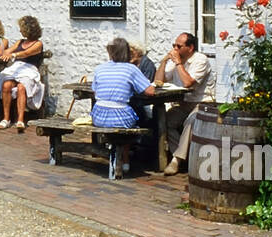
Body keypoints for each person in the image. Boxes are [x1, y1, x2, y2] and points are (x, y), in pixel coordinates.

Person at [92, 38, 158, 172]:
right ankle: (126, 159)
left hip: (98, 116)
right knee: (133, 117)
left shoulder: (99, 68)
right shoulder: (130, 69)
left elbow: (95, 90)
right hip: (120, 116)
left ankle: (121, 157)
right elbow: (150, 91)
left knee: (123, 115)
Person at [156, 32, 216, 174]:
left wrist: (177, 63)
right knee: (165, 120)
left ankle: (176, 161)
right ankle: (186, 158)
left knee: (190, 121)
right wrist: (163, 62)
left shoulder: (201, 60)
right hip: (183, 104)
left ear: (190, 48)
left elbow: (188, 83)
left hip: (202, 103)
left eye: (179, 46)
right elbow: (158, 82)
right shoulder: (178, 60)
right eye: (174, 45)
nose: (175, 49)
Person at [0, 15, 45, 131]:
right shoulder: (20, 42)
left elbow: (27, 53)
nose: (20, 30)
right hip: (16, 68)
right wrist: (2, 51)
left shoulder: (38, 44)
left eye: (21, 28)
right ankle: (6, 118)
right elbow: (7, 51)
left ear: (27, 29)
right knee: (6, 85)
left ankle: (20, 120)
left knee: (22, 87)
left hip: (29, 70)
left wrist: (14, 55)